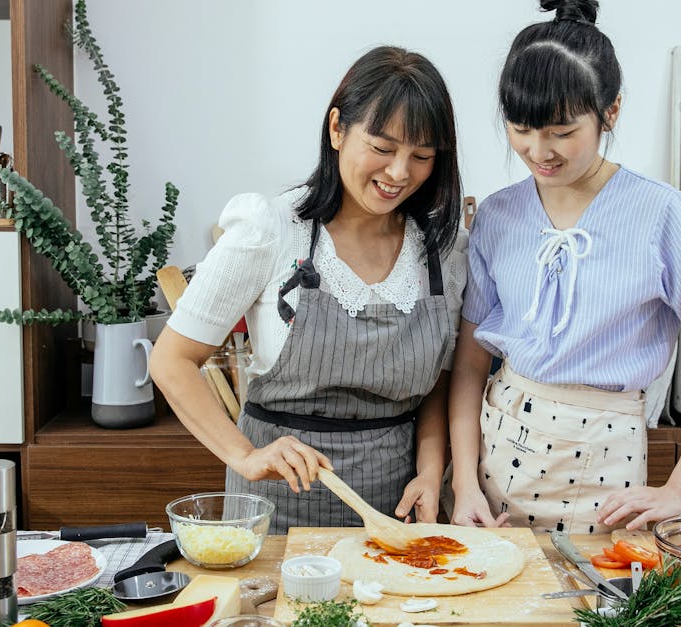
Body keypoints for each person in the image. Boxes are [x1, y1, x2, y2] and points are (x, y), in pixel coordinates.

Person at [447, 0, 681, 535]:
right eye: (520, 128)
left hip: (604, 472)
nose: (538, 150)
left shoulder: (660, 213)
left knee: (594, 609)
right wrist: (464, 484)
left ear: (611, 111)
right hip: (495, 459)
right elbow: (471, 364)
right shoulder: (497, 214)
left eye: (561, 132)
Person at [150, 46, 468, 534]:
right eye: (383, 148)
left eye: (421, 156)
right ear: (337, 129)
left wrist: (429, 472)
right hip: (275, 507)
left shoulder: (443, 250)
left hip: (395, 509)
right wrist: (247, 455)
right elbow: (171, 360)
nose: (400, 173)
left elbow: (434, 388)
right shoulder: (272, 229)